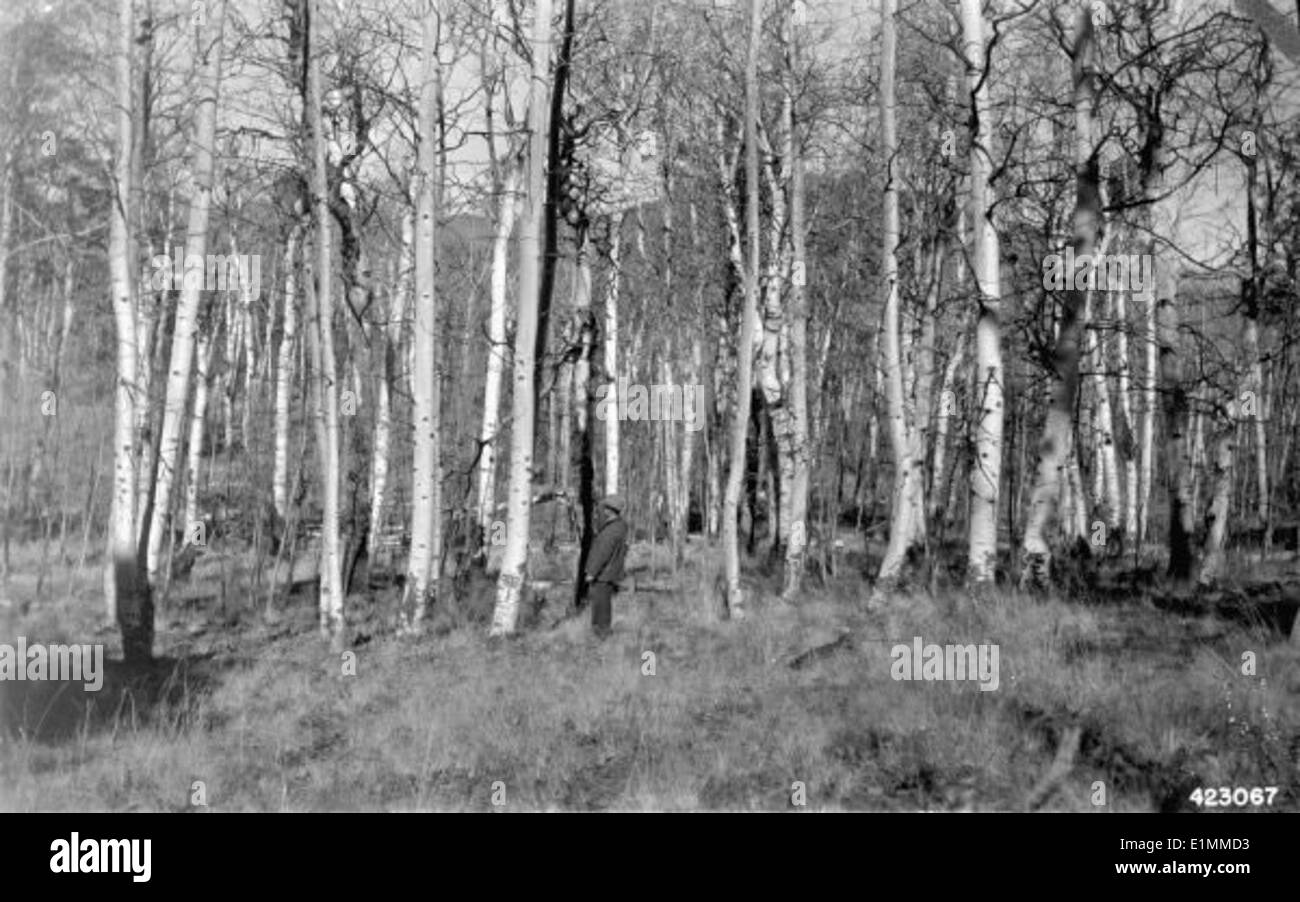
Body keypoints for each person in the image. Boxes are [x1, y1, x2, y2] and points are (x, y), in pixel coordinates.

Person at [581, 495, 629, 637]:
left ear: (609, 510)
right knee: (603, 603)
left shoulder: (611, 531)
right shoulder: (619, 526)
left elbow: (602, 554)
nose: (602, 509)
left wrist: (591, 573)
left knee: (601, 604)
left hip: (603, 574)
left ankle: (602, 633)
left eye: (605, 507)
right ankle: (601, 632)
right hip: (609, 572)